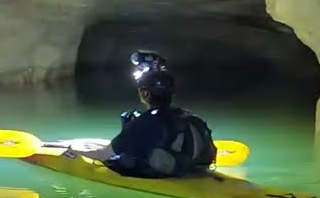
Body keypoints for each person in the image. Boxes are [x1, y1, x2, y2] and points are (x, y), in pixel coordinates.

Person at [74, 51, 217, 178]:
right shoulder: (186, 115)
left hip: (163, 172)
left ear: (145, 94)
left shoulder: (145, 122)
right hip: (193, 168)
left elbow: (105, 154)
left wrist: (74, 152)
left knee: (121, 160)